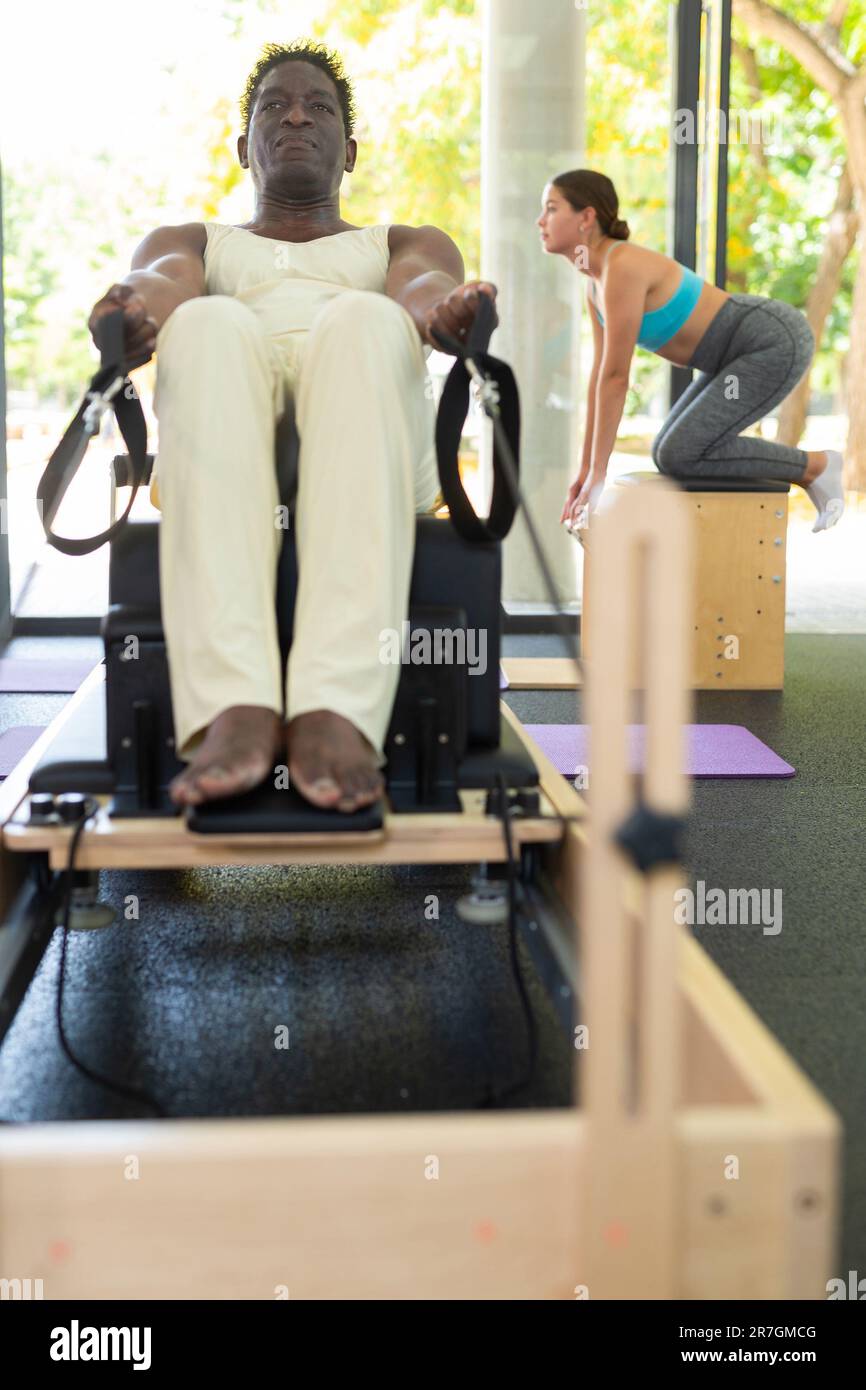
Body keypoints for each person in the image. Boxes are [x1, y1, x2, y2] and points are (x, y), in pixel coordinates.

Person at [87, 40, 497, 814]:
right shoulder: (197, 241)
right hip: (232, 425)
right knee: (206, 323)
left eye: (320, 108)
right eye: (274, 106)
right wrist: (131, 311)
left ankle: (336, 708)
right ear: (244, 148)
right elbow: (160, 283)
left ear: (352, 150)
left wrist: (444, 310)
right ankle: (232, 708)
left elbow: (423, 284)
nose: (298, 116)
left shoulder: (399, 240)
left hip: (368, 422)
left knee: (363, 320)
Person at [538, 170, 845, 534]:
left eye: (551, 209)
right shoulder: (595, 286)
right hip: (731, 358)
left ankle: (817, 466)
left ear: (586, 217)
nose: (541, 221)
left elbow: (617, 378)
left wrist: (599, 476)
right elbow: (600, 377)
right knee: (668, 452)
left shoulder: (621, 266)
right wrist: (586, 471)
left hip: (771, 341)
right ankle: (813, 468)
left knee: (682, 451)